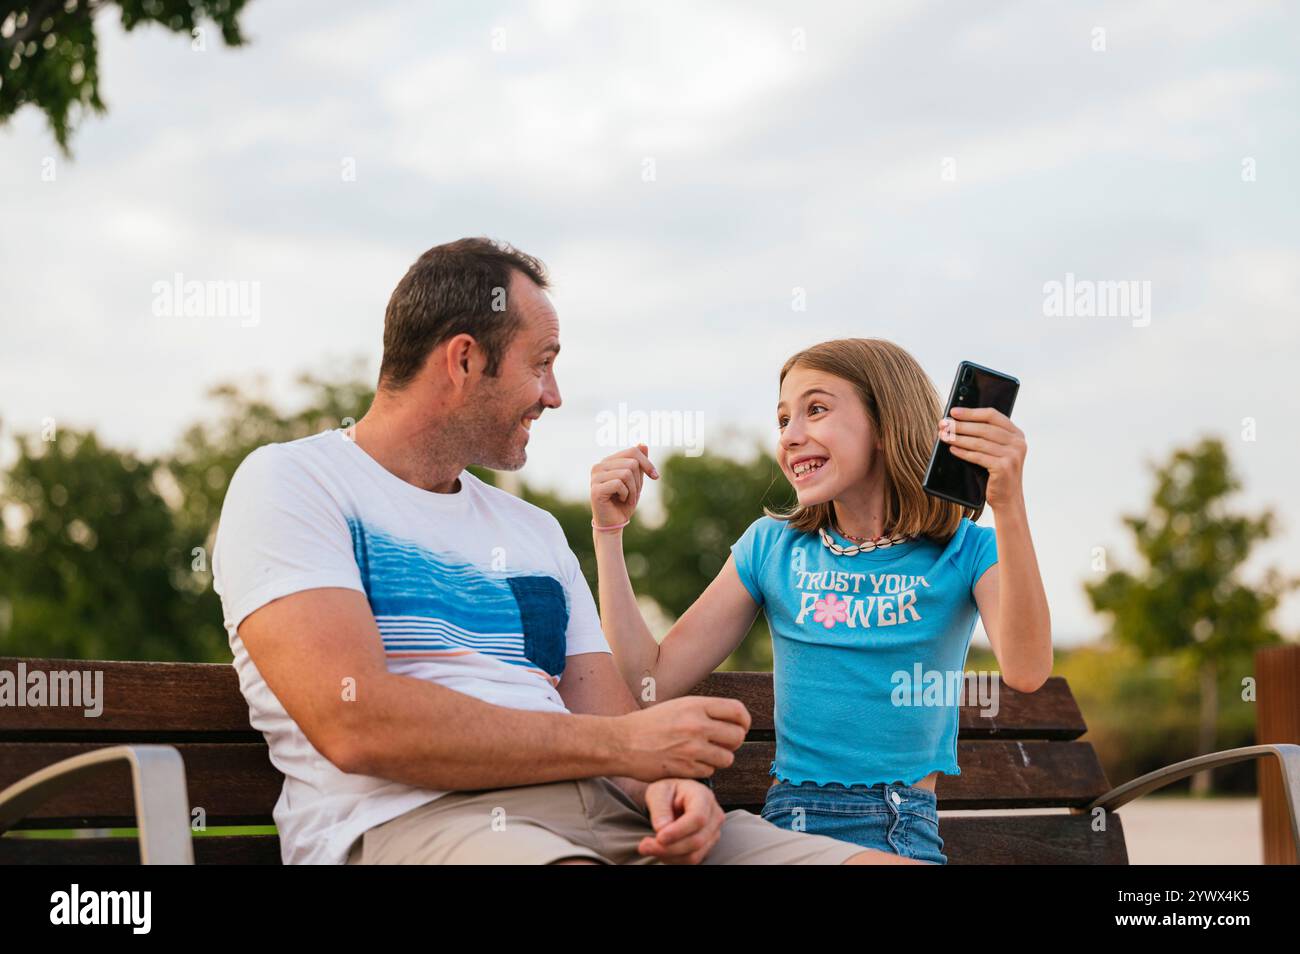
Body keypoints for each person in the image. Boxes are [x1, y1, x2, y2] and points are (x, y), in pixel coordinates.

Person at [212, 238, 917, 865]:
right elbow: (355, 720)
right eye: (541, 365)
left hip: (608, 818)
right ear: (464, 359)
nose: (554, 396)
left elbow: (613, 727)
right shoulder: (292, 484)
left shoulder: (533, 532)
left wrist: (673, 789)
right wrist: (626, 750)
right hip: (423, 824)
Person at [588, 338, 1053, 864]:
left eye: (816, 409)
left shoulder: (967, 550)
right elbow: (648, 682)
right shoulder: (772, 546)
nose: (790, 435)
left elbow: (1027, 669)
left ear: (885, 425)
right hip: (790, 828)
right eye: (783, 419)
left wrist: (1008, 503)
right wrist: (609, 532)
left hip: (901, 828)